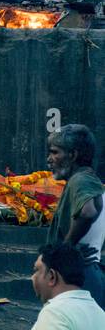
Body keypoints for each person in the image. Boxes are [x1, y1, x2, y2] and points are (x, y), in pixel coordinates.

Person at [46, 124, 105, 310]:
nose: (49, 159)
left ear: (73, 155)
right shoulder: (86, 180)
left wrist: (67, 247)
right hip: (85, 274)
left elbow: (88, 212)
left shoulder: (81, 180)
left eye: (55, 152)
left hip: (81, 276)